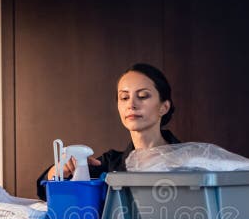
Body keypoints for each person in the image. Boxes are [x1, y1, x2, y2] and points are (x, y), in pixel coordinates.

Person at [36, 63, 181, 200]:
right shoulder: (110, 164)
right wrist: (62, 169)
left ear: (164, 107)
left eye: (142, 96)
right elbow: (44, 191)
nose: (131, 104)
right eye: (124, 97)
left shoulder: (189, 160)